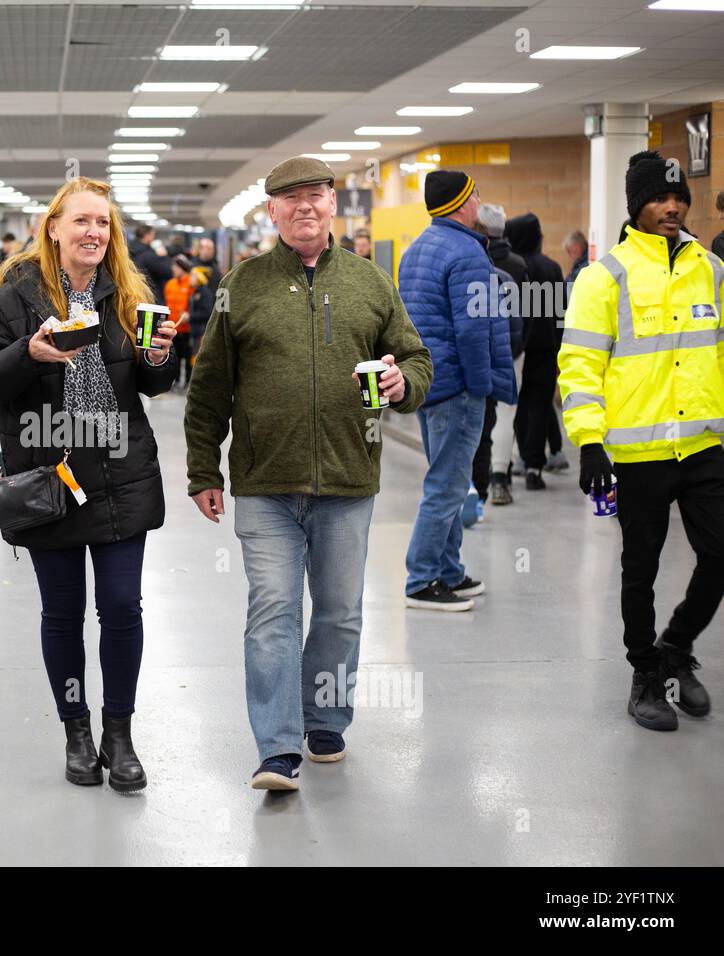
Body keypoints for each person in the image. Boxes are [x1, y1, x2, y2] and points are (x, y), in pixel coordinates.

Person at [185, 157, 432, 790]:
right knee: (273, 612)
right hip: (265, 481)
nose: (304, 207)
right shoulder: (241, 285)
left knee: (340, 612)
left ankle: (326, 717)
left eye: (315, 196)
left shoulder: (371, 283)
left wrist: (404, 384)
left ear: (332, 205)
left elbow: (414, 358)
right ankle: (276, 747)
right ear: (270, 212)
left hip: (348, 481)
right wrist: (201, 468)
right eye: (289, 199)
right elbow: (209, 385)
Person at [0, 177, 178, 792]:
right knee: (62, 614)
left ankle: (120, 733)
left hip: (121, 471)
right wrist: (28, 354)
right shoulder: (8, 302)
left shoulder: (127, 294)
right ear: (54, 228)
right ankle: (77, 732)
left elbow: (147, 384)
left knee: (120, 608)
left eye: (104, 223)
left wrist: (160, 358)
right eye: (82, 221)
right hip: (49, 478)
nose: (94, 232)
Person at [559, 149, 724, 733]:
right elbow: (578, 363)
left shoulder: (711, 269)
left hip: (704, 445)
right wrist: (589, 441)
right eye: (659, 197)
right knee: (641, 569)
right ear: (637, 205)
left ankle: (677, 648)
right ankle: (646, 675)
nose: (672, 207)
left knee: (719, 554)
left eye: (679, 198)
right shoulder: (605, 276)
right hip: (638, 452)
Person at [400, 171, 515, 611]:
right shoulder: (467, 252)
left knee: (447, 479)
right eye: (477, 196)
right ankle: (422, 579)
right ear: (463, 205)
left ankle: (449, 570)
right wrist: (482, 387)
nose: (482, 203)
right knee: (448, 486)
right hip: (458, 387)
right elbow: (473, 331)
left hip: (428, 385)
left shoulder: (417, 250)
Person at [506, 212, 567, 489]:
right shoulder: (551, 268)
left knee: (517, 405)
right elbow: (560, 313)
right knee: (540, 407)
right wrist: (560, 347)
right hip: (545, 350)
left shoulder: (512, 268)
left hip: (518, 351)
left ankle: (519, 459)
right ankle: (534, 467)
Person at [476, 202, 526, 508]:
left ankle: (475, 480)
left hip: (483, 352)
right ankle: (499, 478)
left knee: (479, 417)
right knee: (507, 413)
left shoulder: (469, 262)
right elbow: (528, 314)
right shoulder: (519, 265)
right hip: (512, 350)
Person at [163, 254, 194, 391]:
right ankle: (173, 381)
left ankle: (187, 381)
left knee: (187, 358)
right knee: (174, 357)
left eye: (175, 267)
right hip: (173, 328)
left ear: (182, 268)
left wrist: (190, 315)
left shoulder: (191, 283)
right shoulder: (170, 284)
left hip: (187, 328)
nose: (173, 269)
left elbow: (195, 304)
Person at [127, 224, 172, 304]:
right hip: (150, 298)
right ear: (147, 236)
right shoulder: (149, 255)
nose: (153, 238)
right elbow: (167, 272)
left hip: (132, 296)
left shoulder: (127, 252)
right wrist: (163, 257)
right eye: (153, 235)